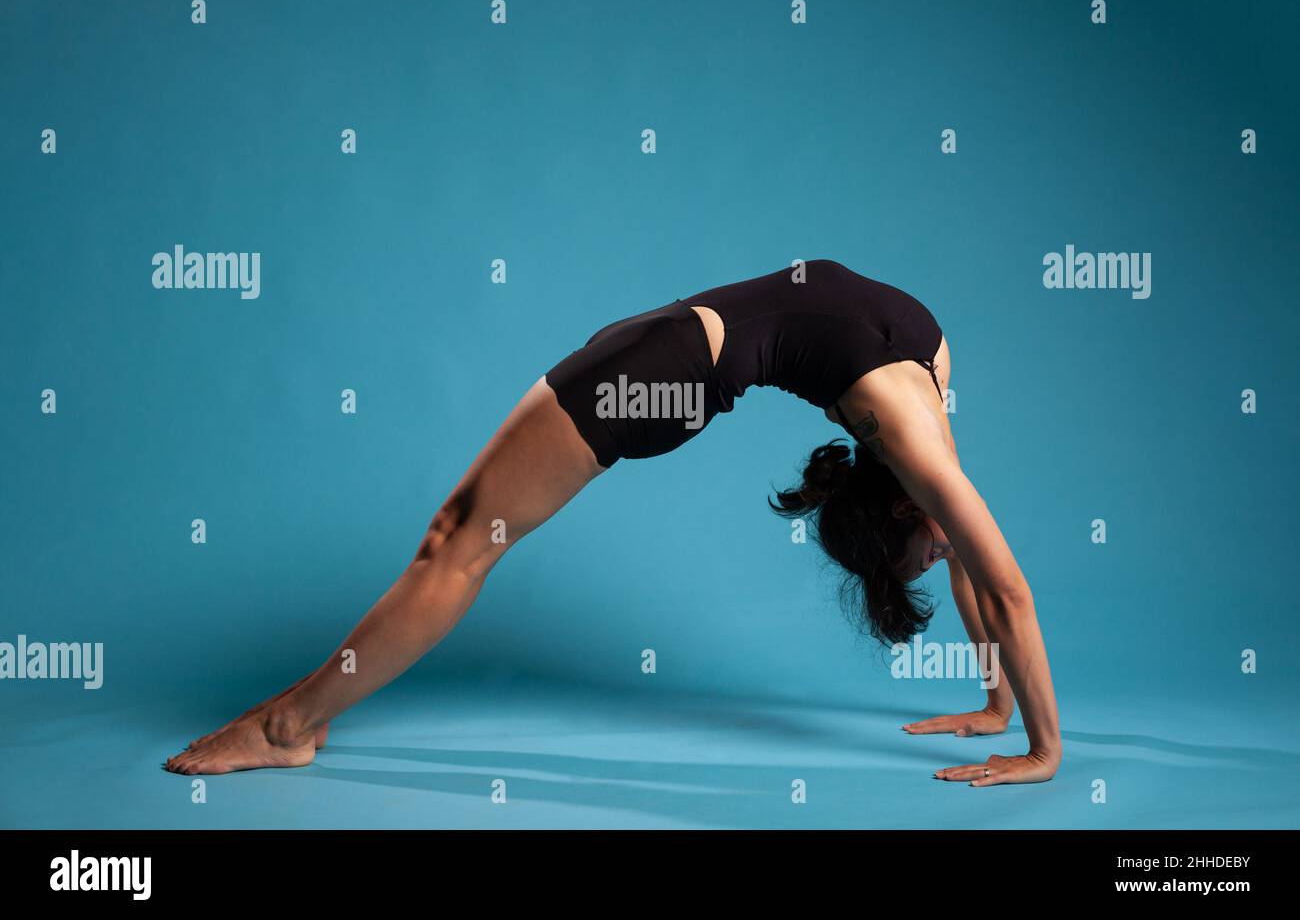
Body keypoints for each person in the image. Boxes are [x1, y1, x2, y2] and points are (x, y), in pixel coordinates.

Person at [165, 259, 1061, 787]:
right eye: (928, 548)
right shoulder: (911, 441)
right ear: (905, 503)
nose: (946, 548)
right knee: (460, 541)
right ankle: (288, 728)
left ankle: (296, 721)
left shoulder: (924, 404)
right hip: (662, 370)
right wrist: (1045, 750)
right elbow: (1010, 591)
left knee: (460, 538)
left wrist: (997, 704)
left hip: (673, 340)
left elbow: (975, 571)